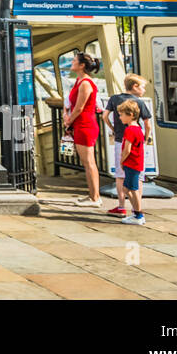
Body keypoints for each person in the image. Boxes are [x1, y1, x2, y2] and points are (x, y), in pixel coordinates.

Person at [104, 74, 153, 217]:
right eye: (142, 87)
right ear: (135, 86)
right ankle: (137, 207)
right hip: (137, 142)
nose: (143, 90)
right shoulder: (139, 102)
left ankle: (121, 207)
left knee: (120, 176)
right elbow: (147, 125)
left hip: (120, 140)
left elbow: (104, 116)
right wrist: (145, 138)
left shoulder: (114, 99)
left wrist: (113, 129)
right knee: (138, 176)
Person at [61, 52, 102, 207]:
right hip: (80, 124)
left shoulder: (85, 83)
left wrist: (68, 121)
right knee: (87, 162)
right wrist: (67, 115)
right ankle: (92, 194)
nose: (72, 62)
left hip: (85, 124)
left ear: (82, 65)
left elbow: (79, 108)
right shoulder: (79, 81)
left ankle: (95, 197)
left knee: (89, 161)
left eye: (74, 60)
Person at [116, 100, 146, 226]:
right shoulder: (138, 129)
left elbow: (127, 149)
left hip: (132, 163)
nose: (120, 117)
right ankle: (136, 213)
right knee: (127, 188)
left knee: (132, 189)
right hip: (136, 163)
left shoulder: (129, 130)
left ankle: (139, 215)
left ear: (131, 115)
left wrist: (121, 160)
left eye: (122, 114)